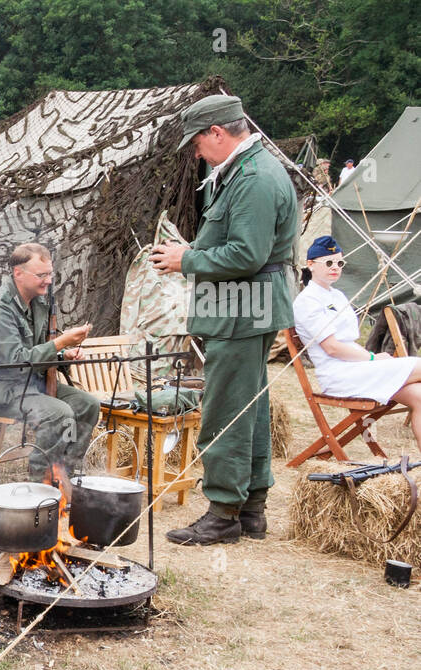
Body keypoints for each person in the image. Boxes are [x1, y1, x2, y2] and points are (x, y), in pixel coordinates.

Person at [151, 93, 299, 545]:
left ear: (217, 132)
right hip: (240, 306)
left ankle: (223, 513)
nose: (194, 152)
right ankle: (250, 508)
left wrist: (187, 258)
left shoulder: (254, 178)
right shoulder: (237, 171)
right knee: (249, 409)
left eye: (196, 142)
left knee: (226, 410)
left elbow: (247, 254)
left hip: (242, 307)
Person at [0, 242, 97, 484]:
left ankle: (65, 472)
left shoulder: (40, 302)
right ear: (18, 273)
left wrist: (63, 356)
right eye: (41, 275)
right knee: (59, 413)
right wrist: (58, 344)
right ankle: (40, 480)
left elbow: (36, 351)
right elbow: (15, 361)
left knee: (87, 404)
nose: (48, 281)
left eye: (50, 274)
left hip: (30, 383)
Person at [294, 235, 421, 447]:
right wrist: (372, 358)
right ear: (310, 265)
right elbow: (332, 348)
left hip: (359, 368)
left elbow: (349, 340)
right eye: (328, 262)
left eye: (339, 263)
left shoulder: (338, 295)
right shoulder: (307, 301)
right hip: (339, 374)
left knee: (419, 396)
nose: (335, 267)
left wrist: (370, 360)